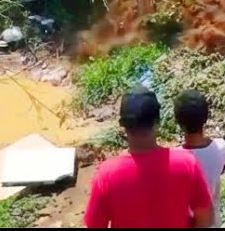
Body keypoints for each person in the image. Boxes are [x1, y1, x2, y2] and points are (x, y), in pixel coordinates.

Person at [85, 86, 214, 228]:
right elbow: (205, 219)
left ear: (123, 126)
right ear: (158, 121)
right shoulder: (187, 163)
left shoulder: (106, 175)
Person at [175, 90, 225, 229]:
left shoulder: (175, 159)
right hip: (213, 222)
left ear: (178, 121)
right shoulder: (221, 147)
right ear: (206, 117)